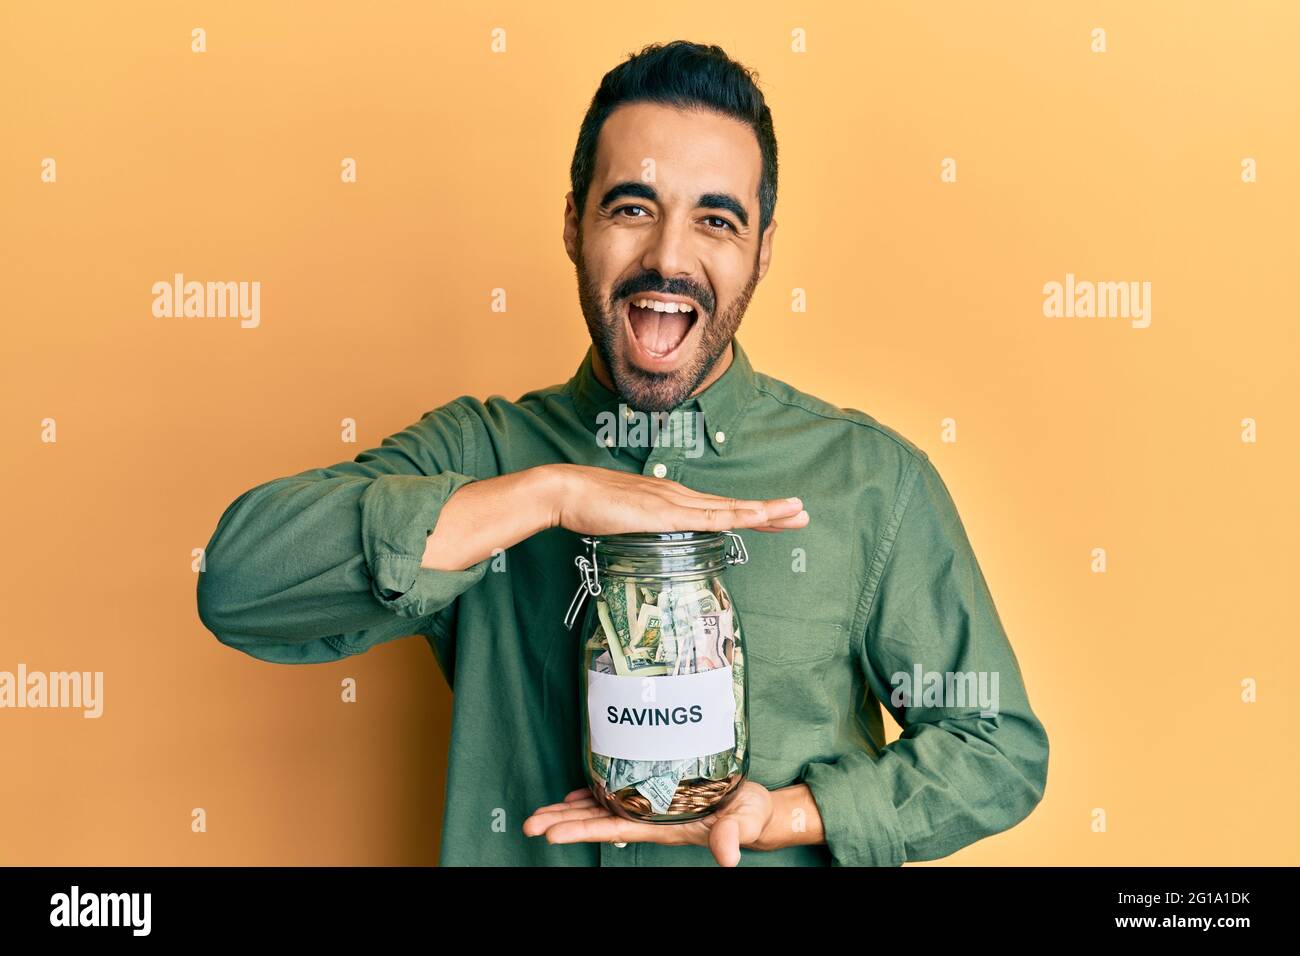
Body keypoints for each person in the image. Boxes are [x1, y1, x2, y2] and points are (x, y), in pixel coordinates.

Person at [196, 39, 1048, 867]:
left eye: (717, 220)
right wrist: (548, 497)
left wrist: (792, 814)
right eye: (632, 207)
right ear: (573, 223)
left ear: (762, 248)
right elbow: (239, 581)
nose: (668, 258)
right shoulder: (481, 451)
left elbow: (996, 748)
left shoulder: (870, 481)